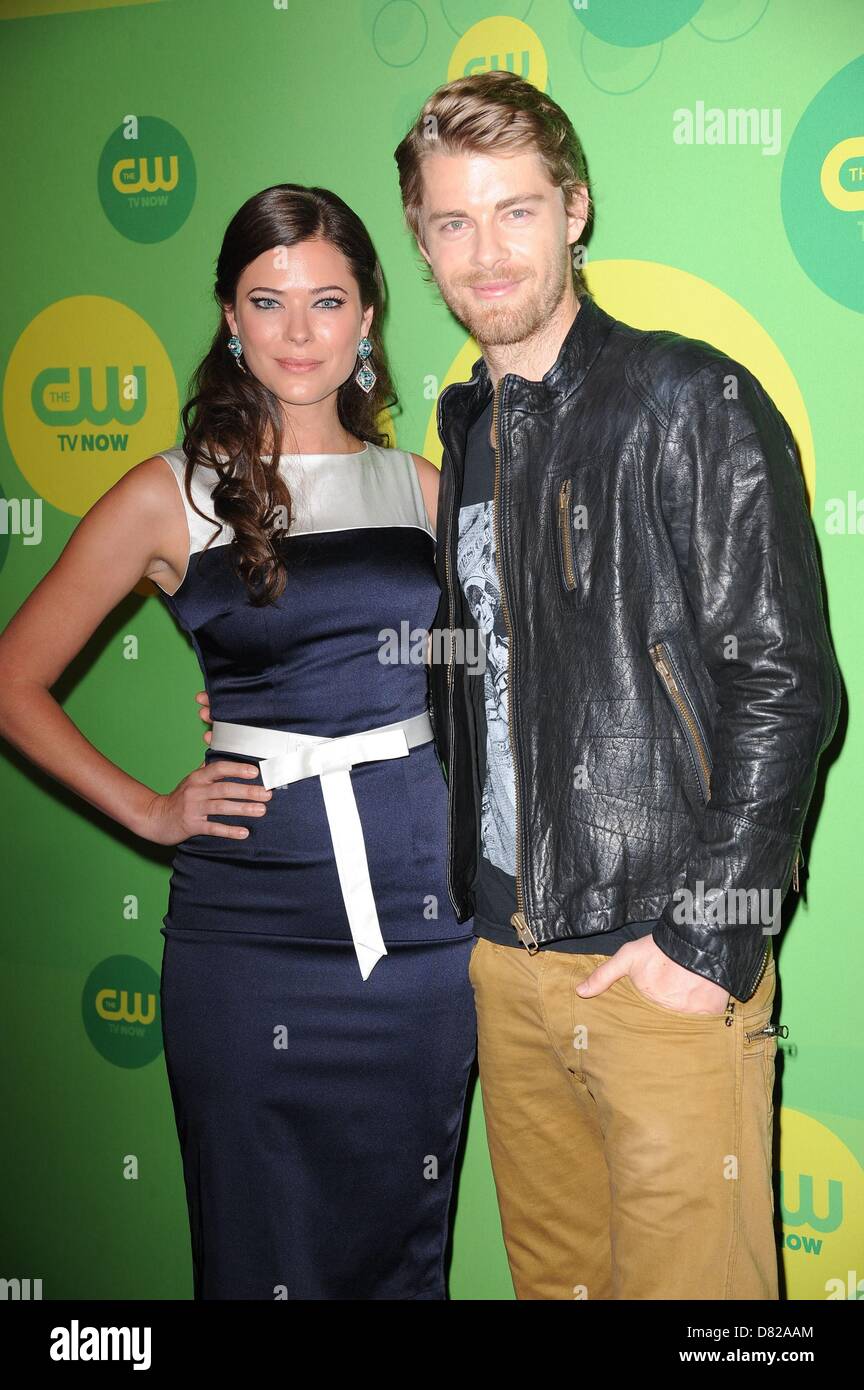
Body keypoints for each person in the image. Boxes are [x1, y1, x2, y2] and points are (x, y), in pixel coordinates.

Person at [388, 69, 838, 1300]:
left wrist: (710, 934)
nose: (484, 253)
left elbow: (788, 679)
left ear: (575, 210)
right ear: (421, 240)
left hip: (662, 957)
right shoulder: (466, 422)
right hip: (504, 962)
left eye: (516, 210)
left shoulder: (691, 397)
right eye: (450, 221)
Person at [0, 183, 477, 1300]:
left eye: (328, 300)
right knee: (257, 1248)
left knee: (405, 1242)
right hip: (250, 927)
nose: (300, 332)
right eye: (269, 302)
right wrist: (151, 811)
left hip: (417, 929)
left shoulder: (420, 488)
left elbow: (490, 675)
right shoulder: (173, 493)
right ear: (229, 315)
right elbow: (14, 680)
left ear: (368, 319)